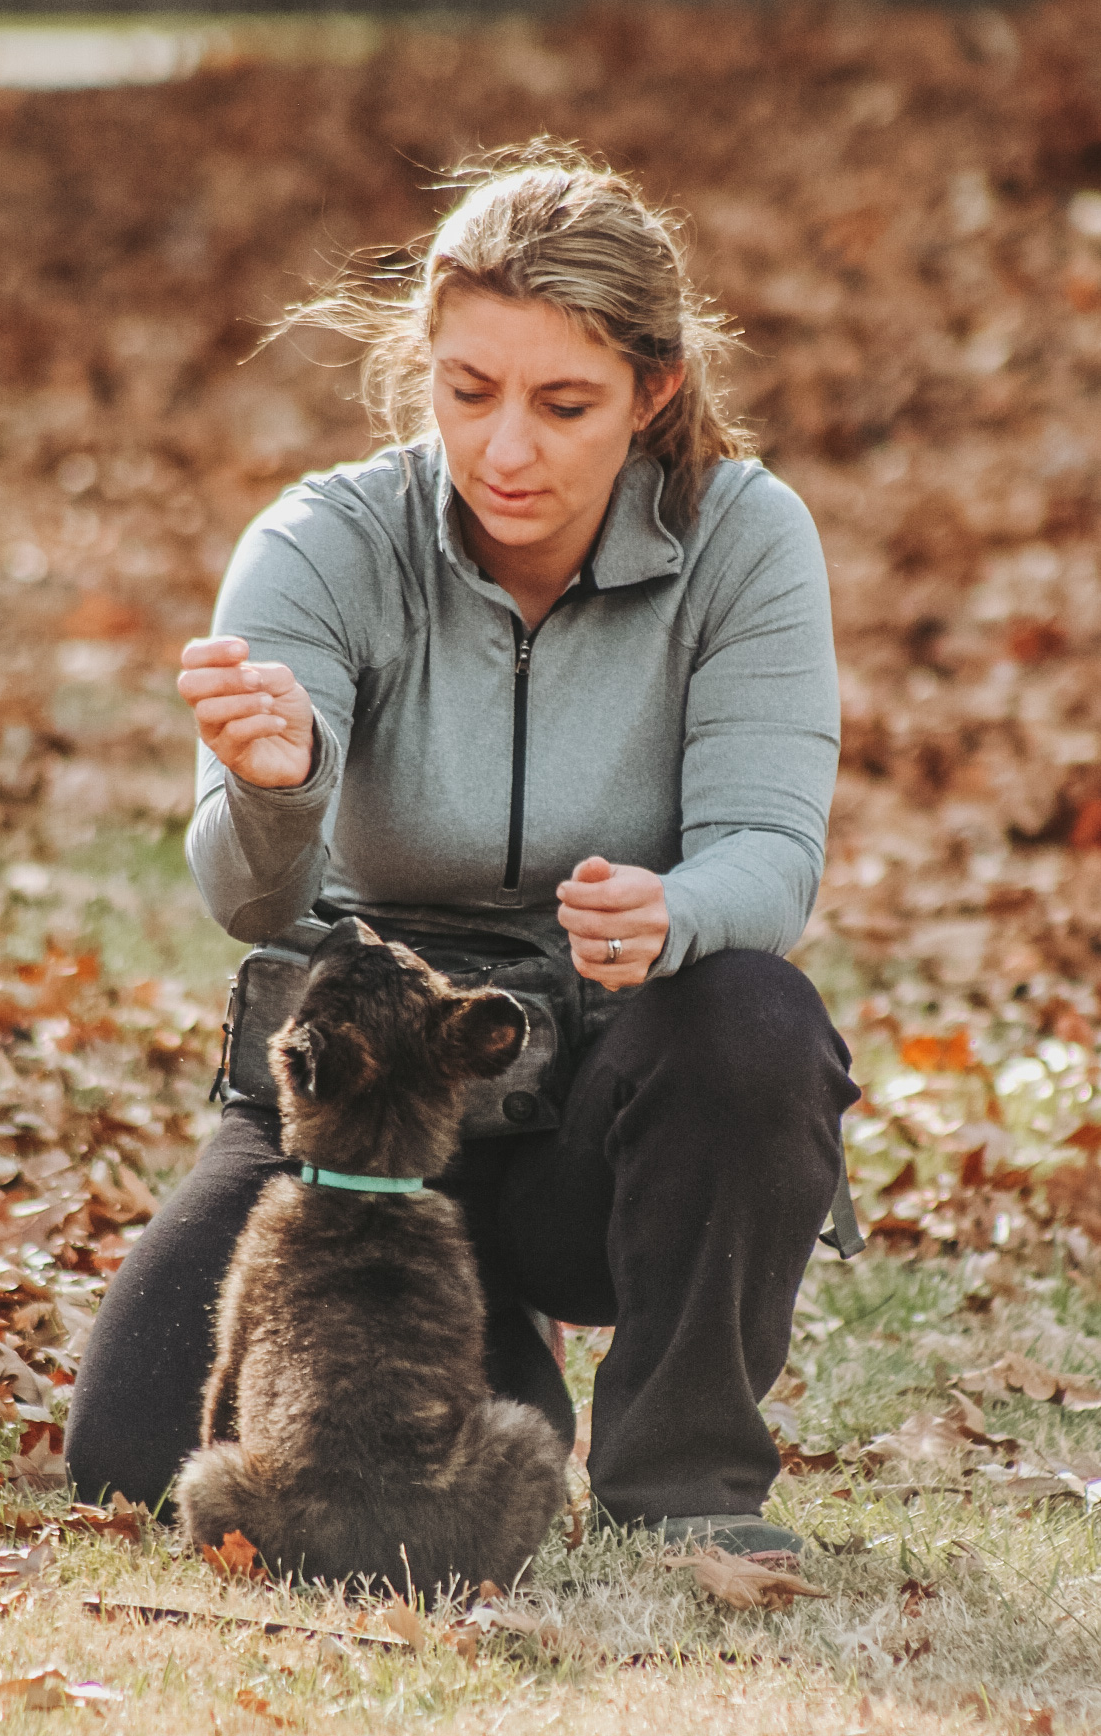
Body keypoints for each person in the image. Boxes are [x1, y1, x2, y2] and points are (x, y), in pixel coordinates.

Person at [65, 144, 860, 1559]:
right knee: (133, 1454)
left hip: (608, 1105)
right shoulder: (326, 542)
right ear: (423, 369)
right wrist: (282, 784)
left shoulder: (744, 541)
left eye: (566, 406)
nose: (508, 452)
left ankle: (684, 1484)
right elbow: (251, 901)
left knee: (755, 1013)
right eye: (469, 393)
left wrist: (671, 912)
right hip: (369, 1118)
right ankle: (485, 1346)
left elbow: (772, 854)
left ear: (654, 390)